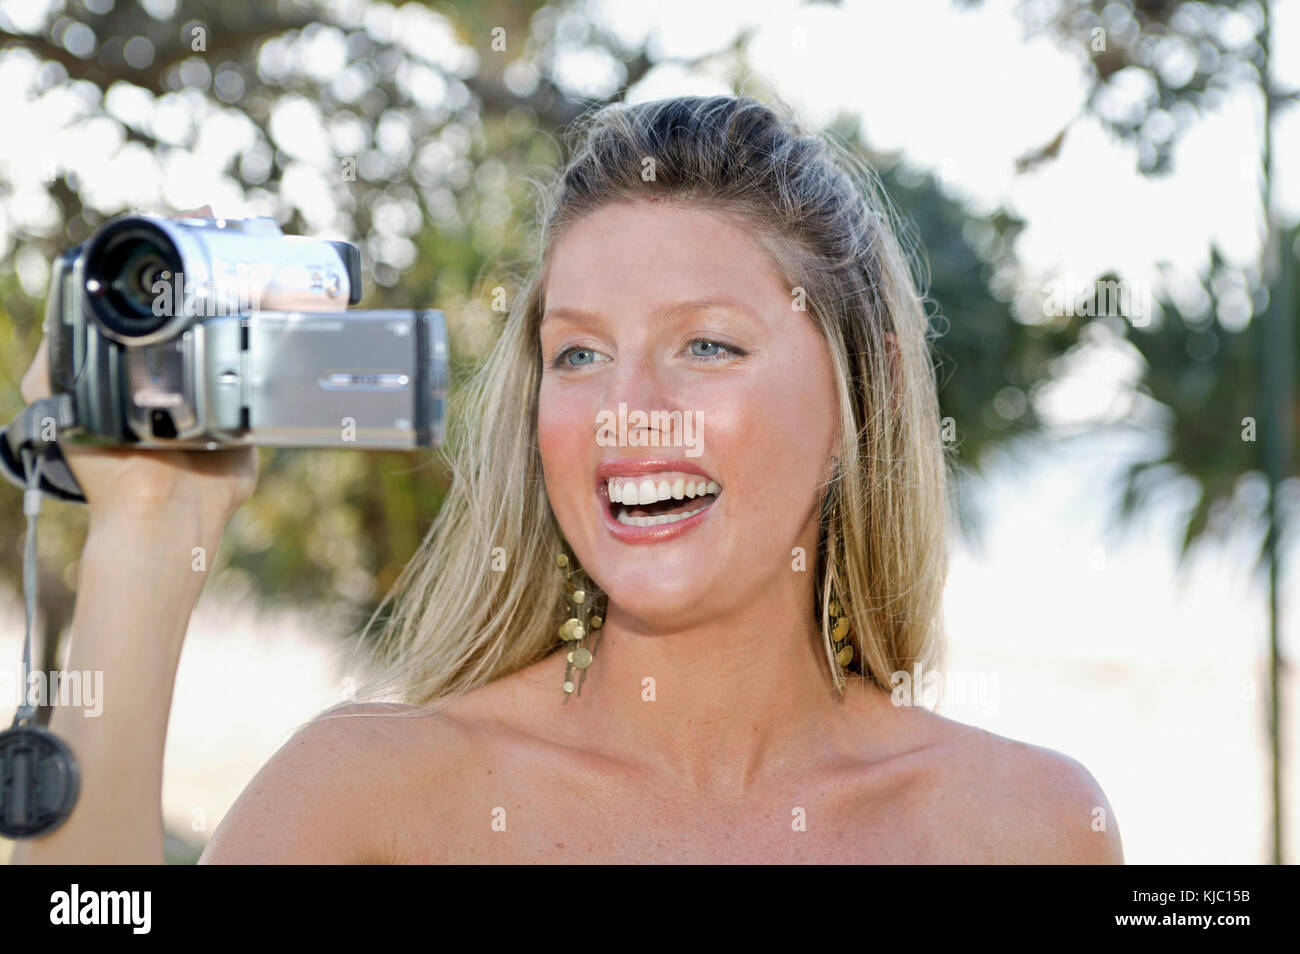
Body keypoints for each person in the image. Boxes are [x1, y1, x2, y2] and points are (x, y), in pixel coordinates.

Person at [13, 95, 1123, 864]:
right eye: (579, 353)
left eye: (707, 347)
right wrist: (150, 533)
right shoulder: (370, 795)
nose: (625, 412)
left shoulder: (1023, 827)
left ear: (858, 391)